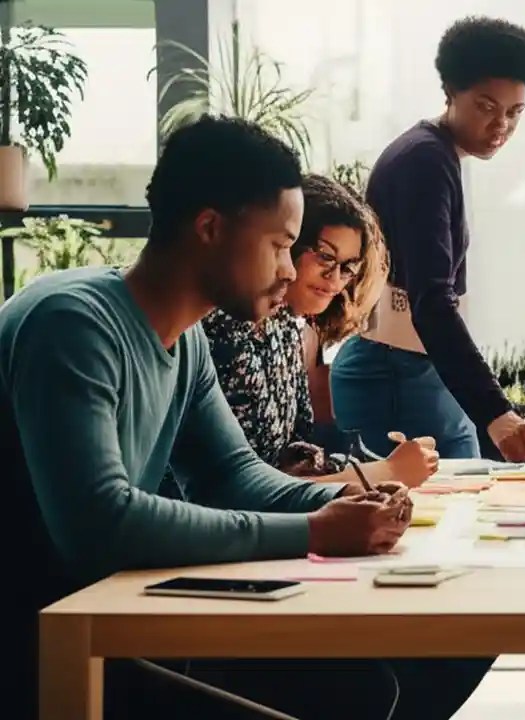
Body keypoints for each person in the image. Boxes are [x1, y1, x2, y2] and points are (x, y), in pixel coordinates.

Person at [0, 115, 489, 719]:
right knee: (355, 694)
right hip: (52, 643)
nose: (291, 271)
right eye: (282, 246)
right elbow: (99, 523)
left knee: (393, 676)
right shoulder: (71, 325)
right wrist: (316, 531)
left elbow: (235, 476)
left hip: (122, 614)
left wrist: (354, 504)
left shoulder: (185, 341)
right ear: (209, 228)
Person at [330, 15, 525, 462]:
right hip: (396, 373)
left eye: (515, 111)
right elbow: (431, 299)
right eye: (487, 106)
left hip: (412, 368)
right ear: (450, 92)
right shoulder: (424, 162)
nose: (502, 124)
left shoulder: (435, 155)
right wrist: (495, 410)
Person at [199, 173, 438, 489]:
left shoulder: (287, 327)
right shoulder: (226, 326)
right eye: (325, 256)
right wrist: (383, 473)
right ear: (288, 244)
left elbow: (296, 459)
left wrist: (384, 467)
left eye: (348, 267)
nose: (335, 278)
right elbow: (240, 489)